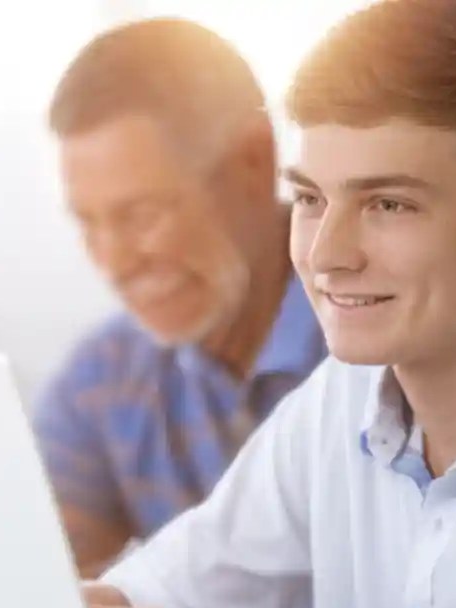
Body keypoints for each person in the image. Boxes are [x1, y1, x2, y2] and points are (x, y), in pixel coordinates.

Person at [83, 2, 456, 608]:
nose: (325, 256)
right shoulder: (341, 404)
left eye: (388, 204)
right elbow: (146, 604)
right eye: (310, 198)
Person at [37, 19, 326, 578]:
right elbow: (37, 586)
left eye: (142, 215)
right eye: (89, 224)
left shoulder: (384, 349)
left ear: (253, 161)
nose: (115, 262)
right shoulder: (104, 378)